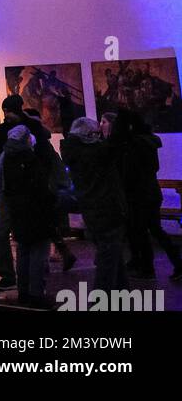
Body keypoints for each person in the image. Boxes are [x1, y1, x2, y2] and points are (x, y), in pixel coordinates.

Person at [111, 108, 182, 280]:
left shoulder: (132, 145)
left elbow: (128, 172)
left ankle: (148, 268)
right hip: (151, 191)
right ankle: (176, 263)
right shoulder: (149, 142)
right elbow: (153, 168)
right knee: (155, 230)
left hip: (137, 194)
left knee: (141, 231)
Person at [61, 116, 128, 294]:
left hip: (92, 209)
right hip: (107, 209)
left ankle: (123, 296)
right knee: (108, 260)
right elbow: (114, 147)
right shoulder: (94, 152)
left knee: (113, 257)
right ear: (90, 134)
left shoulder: (73, 150)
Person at [0, 124, 56, 306]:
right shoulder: (30, 158)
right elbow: (40, 187)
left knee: (23, 252)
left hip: (17, 210)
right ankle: (36, 293)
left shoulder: (6, 158)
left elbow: (3, 186)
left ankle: (23, 291)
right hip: (35, 210)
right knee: (38, 253)